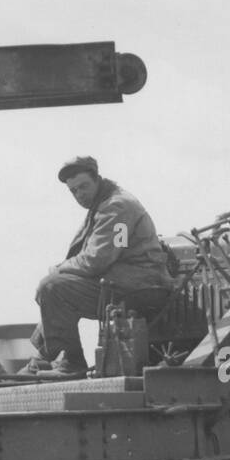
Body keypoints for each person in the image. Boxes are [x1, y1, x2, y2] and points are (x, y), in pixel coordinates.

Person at [28, 156, 174, 380]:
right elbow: (116, 249)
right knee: (57, 289)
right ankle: (43, 357)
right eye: (73, 191)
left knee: (52, 287)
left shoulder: (118, 206)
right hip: (128, 280)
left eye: (83, 186)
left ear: (97, 179)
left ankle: (71, 362)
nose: (79, 195)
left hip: (141, 286)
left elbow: (96, 260)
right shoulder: (105, 205)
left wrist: (59, 269)